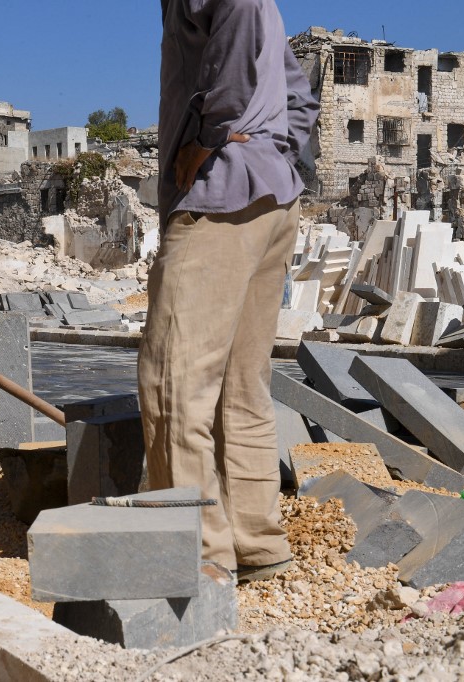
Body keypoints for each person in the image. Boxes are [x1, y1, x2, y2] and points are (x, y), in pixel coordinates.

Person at [139, 0, 319, 582]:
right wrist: (280, 154)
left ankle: (197, 558)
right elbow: (298, 90)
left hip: (222, 200)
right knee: (242, 386)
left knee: (171, 386)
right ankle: (255, 543)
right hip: (271, 197)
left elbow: (237, 13)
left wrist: (211, 137)